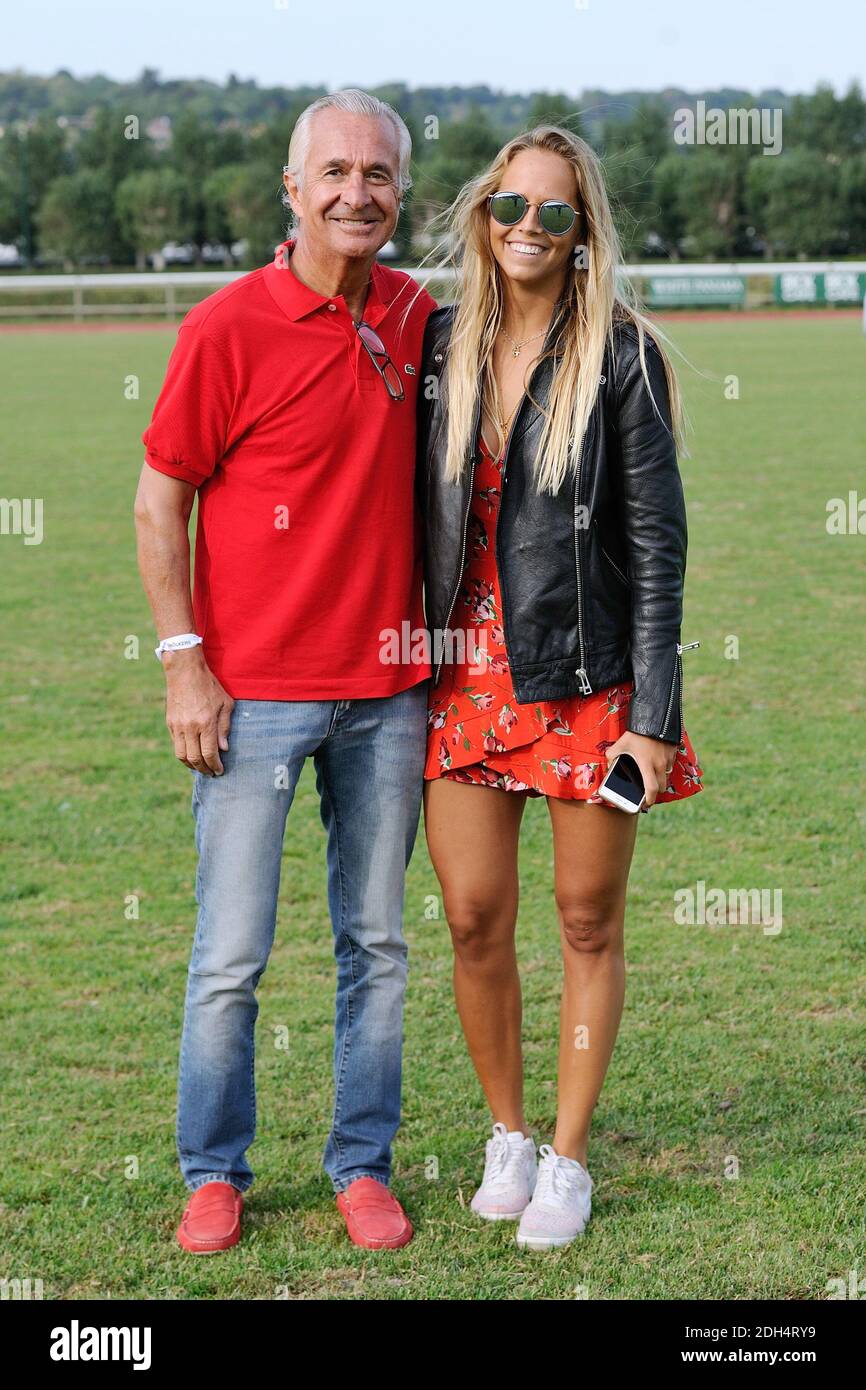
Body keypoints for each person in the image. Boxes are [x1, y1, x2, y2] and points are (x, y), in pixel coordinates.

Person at [134, 89, 436, 1253]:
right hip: (250, 695)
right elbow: (162, 499)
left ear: (398, 193)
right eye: (335, 172)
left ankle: (361, 1163)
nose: (356, 193)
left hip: (390, 695)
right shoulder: (223, 327)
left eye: (378, 175)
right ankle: (215, 1169)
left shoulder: (417, 315)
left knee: (376, 943)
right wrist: (182, 664)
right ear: (293, 189)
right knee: (230, 954)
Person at [418, 124, 704, 1250]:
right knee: (471, 916)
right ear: (480, 218)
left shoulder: (620, 356)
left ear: (583, 235)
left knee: (586, 921)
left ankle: (569, 1159)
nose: (526, 230)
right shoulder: (439, 345)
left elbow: (658, 553)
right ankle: (506, 1134)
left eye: (553, 213)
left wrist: (654, 721)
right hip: (462, 677)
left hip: (588, 683)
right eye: (508, 208)